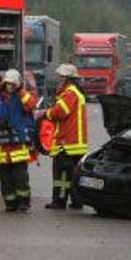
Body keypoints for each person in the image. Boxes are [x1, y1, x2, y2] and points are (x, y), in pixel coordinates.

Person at [0, 68, 38, 212]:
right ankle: (10, 203)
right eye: (8, 84)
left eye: (13, 84)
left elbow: (32, 105)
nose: (10, 86)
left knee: (21, 178)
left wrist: (20, 91)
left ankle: (24, 203)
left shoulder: (23, 96)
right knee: (5, 179)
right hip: (1, 147)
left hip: (18, 145)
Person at [38, 63, 88, 210]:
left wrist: (45, 114)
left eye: (62, 77)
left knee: (61, 177)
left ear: (68, 78)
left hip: (67, 143)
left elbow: (60, 112)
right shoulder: (76, 92)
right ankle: (76, 201)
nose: (59, 79)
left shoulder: (69, 93)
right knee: (73, 176)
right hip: (75, 144)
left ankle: (59, 201)